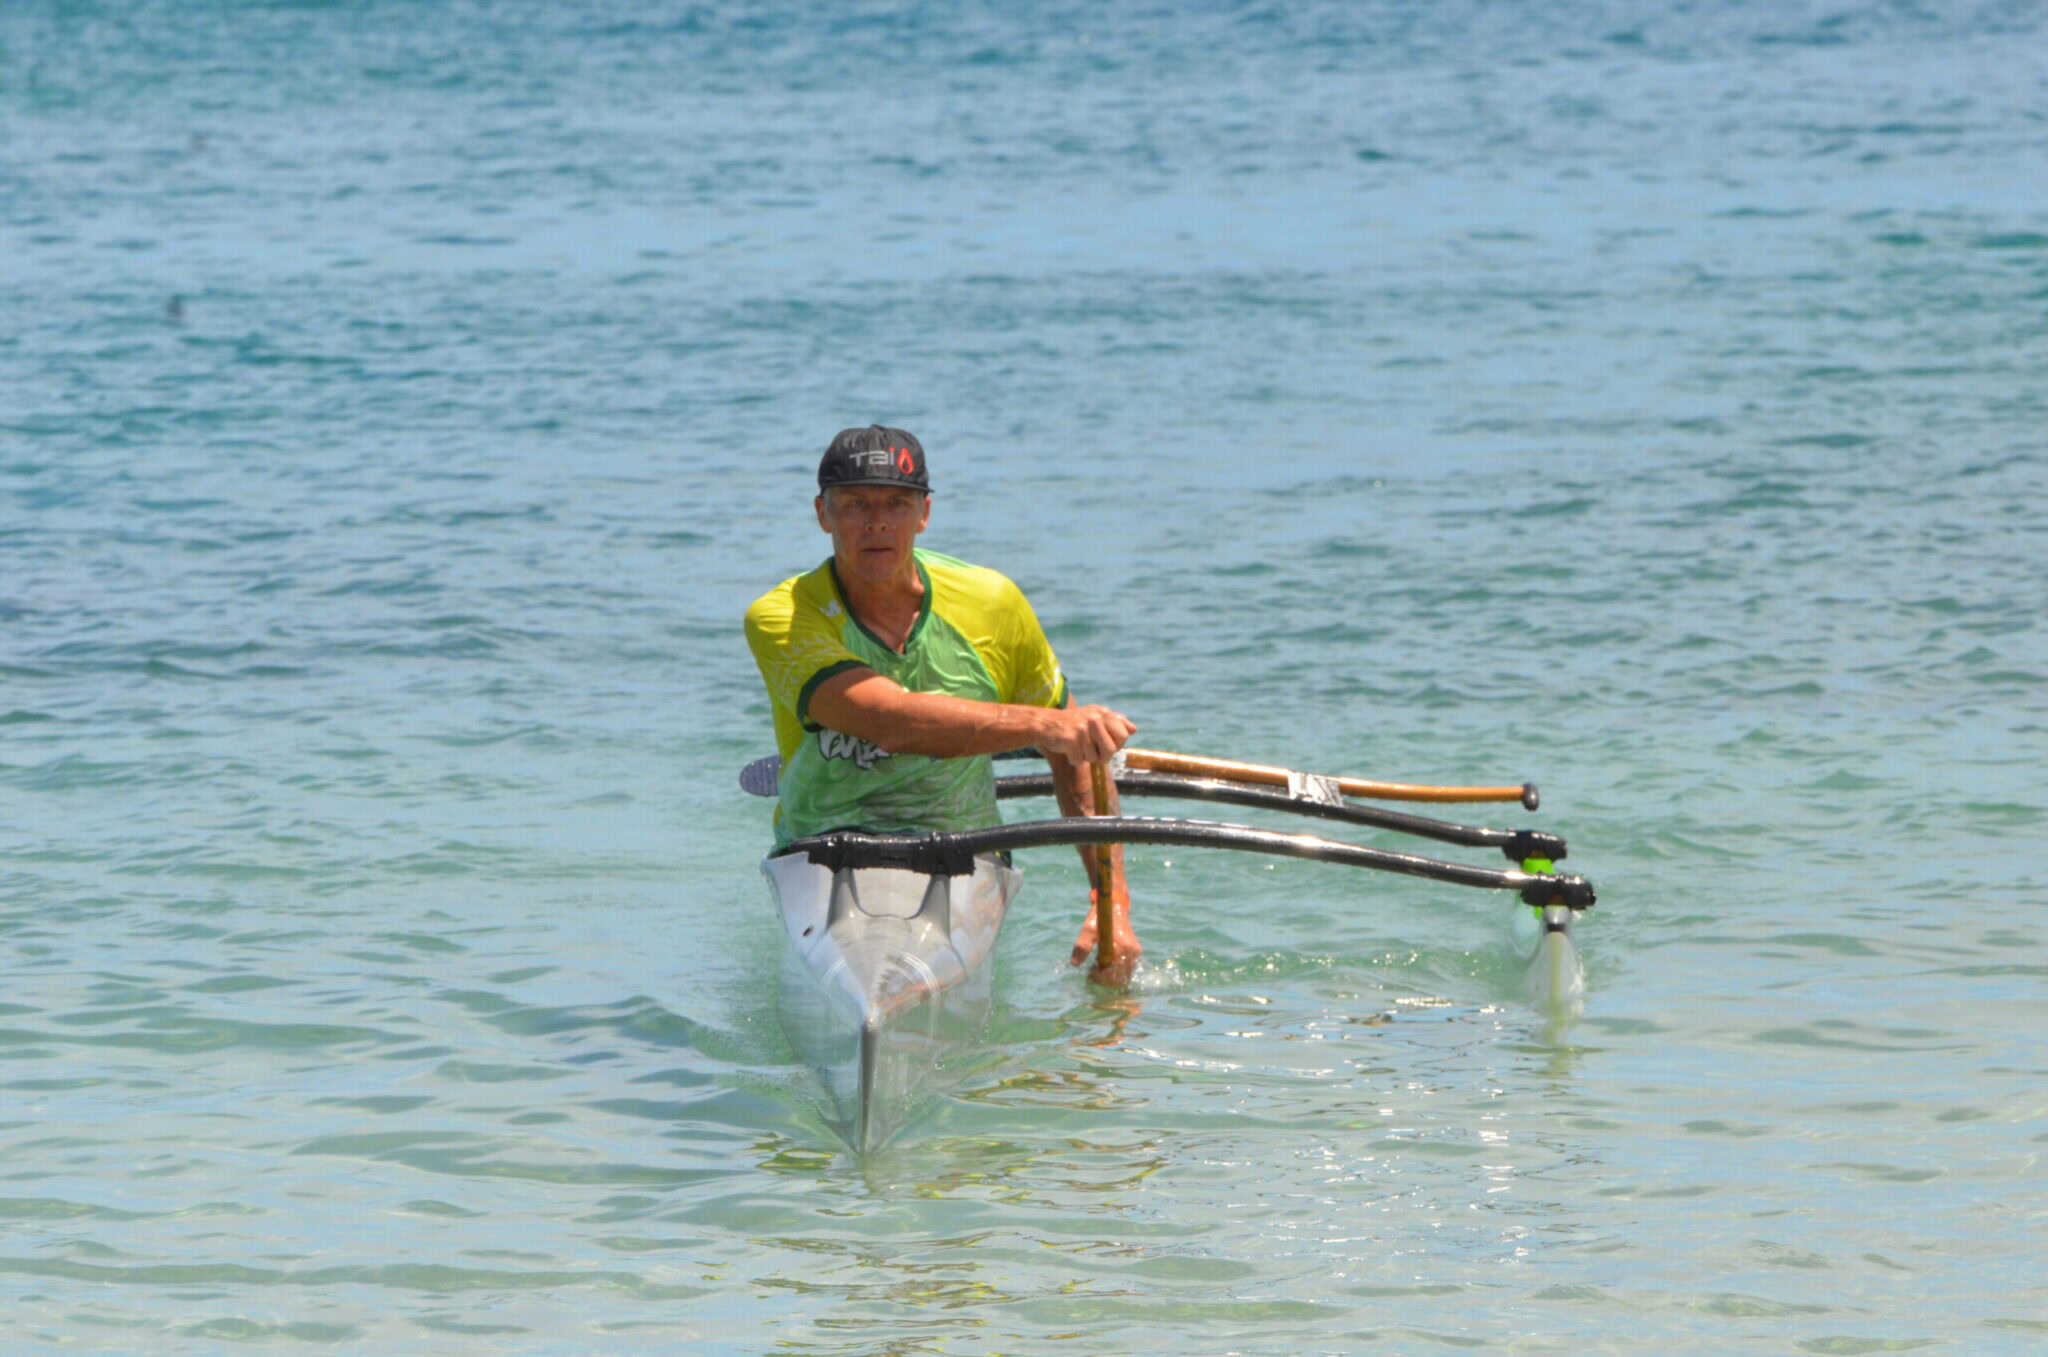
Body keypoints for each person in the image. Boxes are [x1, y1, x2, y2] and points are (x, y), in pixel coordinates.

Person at [743, 425, 1141, 981]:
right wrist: (1045, 725)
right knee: (870, 1001)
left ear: (924, 514)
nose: (877, 522)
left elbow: (1074, 756)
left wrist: (1110, 904)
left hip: (967, 848)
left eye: (896, 504)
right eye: (855, 504)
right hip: (820, 849)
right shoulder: (781, 616)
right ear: (822, 513)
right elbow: (889, 721)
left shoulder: (991, 604)